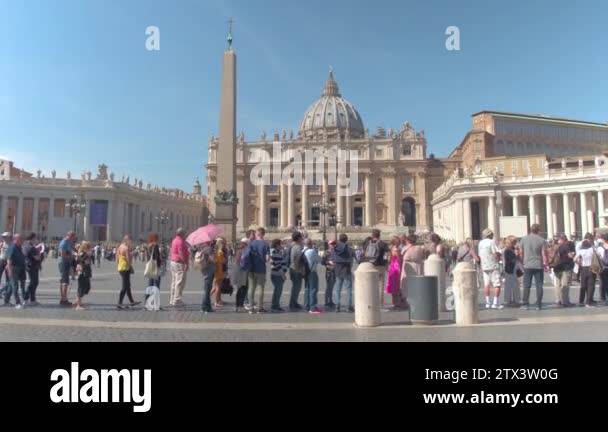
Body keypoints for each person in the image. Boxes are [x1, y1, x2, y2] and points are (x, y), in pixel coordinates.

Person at [520, 224, 549, 311]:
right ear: (538, 230)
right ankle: (538, 304)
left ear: (530, 230)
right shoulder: (542, 240)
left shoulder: (524, 239)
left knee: (526, 285)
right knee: (539, 285)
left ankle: (525, 304)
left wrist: (522, 262)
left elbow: (521, 252)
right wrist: (546, 264)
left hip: (527, 265)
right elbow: (544, 254)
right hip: (538, 265)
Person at [477, 228, 504, 310]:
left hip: (484, 266)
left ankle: (487, 302)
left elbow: (479, 255)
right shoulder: (491, 242)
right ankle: (495, 303)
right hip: (493, 266)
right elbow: (495, 253)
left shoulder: (480, 243)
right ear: (490, 235)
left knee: (486, 285)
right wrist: (499, 255)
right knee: (497, 284)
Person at [246, 228, 270, 314]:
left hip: (251, 268)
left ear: (257, 234)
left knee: (251, 288)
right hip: (261, 269)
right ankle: (260, 308)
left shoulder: (251, 243)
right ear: (263, 234)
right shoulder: (266, 244)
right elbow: (267, 259)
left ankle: (251, 307)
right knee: (260, 288)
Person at [363, 230, 389, 306]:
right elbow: (387, 253)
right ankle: (380, 303)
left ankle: (370, 301)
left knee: (370, 284)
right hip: (380, 265)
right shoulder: (382, 243)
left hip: (369, 265)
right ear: (379, 235)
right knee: (380, 284)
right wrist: (386, 262)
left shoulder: (368, 243)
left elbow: (364, 252)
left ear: (372, 235)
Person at [550, 234, 575, 307]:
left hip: (556, 268)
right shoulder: (566, 246)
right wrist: (573, 254)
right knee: (565, 285)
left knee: (557, 285)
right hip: (565, 267)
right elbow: (570, 255)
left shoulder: (555, 247)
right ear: (565, 240)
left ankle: (558, 300)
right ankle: (565, 301)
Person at [400, 234, 424, 308]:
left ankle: (407, 301)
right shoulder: (419, 248)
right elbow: (422, 256)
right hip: (417, 266)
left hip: (408, 267)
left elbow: (401, 256)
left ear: (407, 240)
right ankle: (416, 299)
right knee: (416, 282)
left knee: (406, 284)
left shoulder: (405, 248)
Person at [332, 234, 354, 313]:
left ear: (339, 239)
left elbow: (333, 259)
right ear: (346, 239)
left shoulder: (334, 249)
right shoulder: (349, 249)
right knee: (348, 289)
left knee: (337, 288)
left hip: (338, 270)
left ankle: (337, 306)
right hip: (346, 270)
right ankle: (348, 306)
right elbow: (354, 257)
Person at [3, 233, 25, 309]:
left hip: (18, 269)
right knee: (15, 286)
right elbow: (9, 260)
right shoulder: (12, 247)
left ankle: (6, 301)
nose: (22, 240)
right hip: (13, 268)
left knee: (10, 286)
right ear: (15, 239)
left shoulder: (18, 247)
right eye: (20, 239)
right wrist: (9, 271)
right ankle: (17, 303)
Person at [169, 228, 190, 308]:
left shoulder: (174, 240)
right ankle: (177, 300)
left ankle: (172, 299)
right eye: (185, 234)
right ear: (182, 234)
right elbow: (181, 254)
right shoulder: (181, 242)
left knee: (174, 282)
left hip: (173, 262)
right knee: (179, 282)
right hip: (179, 263)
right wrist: (186, 263)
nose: (186, 235)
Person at [116, 235, 139, 309]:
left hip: (121, 267)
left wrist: (118, 265)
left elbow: (117, 258)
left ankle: (132, 301)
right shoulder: (126, 248)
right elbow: (128, 259)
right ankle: (119, 303)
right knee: (125, 287)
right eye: (130, 241)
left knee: (127, 286)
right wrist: (131, 267)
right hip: (125, 268)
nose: (131, 242)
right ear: (127, 240)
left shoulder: (120, 247)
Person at [575, 239, 597, 308]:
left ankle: (581, 301)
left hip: (583, 269)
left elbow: (574, 259)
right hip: (591, 268)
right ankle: (588, 302)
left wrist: (579, 263)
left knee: (583, 285)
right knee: (590, 286)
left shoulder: (581, 251)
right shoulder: (592, 250)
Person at [23, 232, 42, 306]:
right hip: (32, 266)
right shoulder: (30, 247)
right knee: (33, 283)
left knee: (35, 282)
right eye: (35, 238)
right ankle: (26, 298)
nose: (36, 240)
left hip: (29, 266)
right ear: (32, 238)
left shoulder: (26, 245)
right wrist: (40, 253)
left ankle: (32, 299)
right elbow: (37, 258)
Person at [288, 232, 306, 311]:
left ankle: (294, 302)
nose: (302, 238)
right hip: (296, 270)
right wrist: (300, 270)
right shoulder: (297, 247)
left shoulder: (294, 246)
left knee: (295, 287)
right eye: (301, 237)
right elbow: (297, 260)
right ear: (298, 238)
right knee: (296, 288)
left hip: (293, 269)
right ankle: (293, 303)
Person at [58, 231, 76, 306]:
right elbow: (62, 253)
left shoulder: (69, 242)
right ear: (70, 236)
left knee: (64, 281)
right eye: (73, 237)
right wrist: (71, 255)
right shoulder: (64, 242)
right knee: (64, 281)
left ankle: (63, 298)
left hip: (66, 262)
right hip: (63, 263)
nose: (74, 239)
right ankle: (64, 299)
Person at [303, 239, 321, 314]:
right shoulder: (312, 251)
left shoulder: (303, 251)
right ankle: (312, 308)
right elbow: (319, 259)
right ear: (311, 244)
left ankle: (306, 305)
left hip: (305, 272)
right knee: (313, 289)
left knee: (307, 289)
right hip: (312, 272)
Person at [270, 239, 287, 313]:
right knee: (278, 291)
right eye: (281, 244)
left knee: (278, 290)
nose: (282, 246)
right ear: (277, 245)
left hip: (277, 274)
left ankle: (276, 305)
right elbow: (277, 265)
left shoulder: (277, 252)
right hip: (277, 274)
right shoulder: (275, 252)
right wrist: (283, 275)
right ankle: (275, 306)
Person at [232, 238, 249, 312]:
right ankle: (239, 304)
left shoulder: (239, 250)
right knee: (242, 288)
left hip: (238, 270)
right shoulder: (243, 250)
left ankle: (239, 304)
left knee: (241, 288)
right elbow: (243, 261)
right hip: (241, 271)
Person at [502, 236, 520, 307]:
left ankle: (514, 299)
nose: (516, 244)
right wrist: (515, 256)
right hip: (510, 269)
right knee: (510, 285)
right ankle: (510, 300)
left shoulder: (511, 249)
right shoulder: (507, 250)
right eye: (515, 242)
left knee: (513, 285)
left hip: (512, 268)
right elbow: (510, 260)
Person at [74, 241, 93, 310]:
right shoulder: (82, 253)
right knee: (81, 287)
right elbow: (79, 260)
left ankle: (78, 301)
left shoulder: (85, 253)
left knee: (87, 287)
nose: (90, 248)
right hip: (82, 272)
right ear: (85, 247)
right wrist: (86, 258)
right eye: (88, 247)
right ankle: (78, 305)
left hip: (86, 272)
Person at [386, 245, 405, 309]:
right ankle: (394, 303)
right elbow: (388, 265)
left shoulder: (399, 258)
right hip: (392, 275)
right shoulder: (391, 258)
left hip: (397, 276)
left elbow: (399, 267)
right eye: (395, 251)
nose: (396, 252)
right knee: (393, 291)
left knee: (397, 290)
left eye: (397, 251)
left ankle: (397, 303)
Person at [211, 238, 227, 308]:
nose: (224, 244)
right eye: (222, 243)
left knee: (217, 286)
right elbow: (223, 261)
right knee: (217, 287)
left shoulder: (216, 251)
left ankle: (217, 300)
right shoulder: (220, 252)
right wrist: (225, 259)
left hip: (218, 270)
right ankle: (216, 301)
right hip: (219, 270)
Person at [323, 240, 337, 310]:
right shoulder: (326, 252)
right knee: (328, 286)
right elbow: (322, 262)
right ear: (329, 245)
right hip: (329, 271)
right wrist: (329, 262)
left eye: (334, 244)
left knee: (331, 287)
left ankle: (330, 300)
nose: (333, 245)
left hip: (334, 271)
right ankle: (326, 301)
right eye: (331, 244)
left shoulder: (336, 252)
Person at [0, 232, 12, 297]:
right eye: (3, 237)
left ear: (9, 237)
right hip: (1, 260)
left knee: (8, 278)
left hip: (8, 262)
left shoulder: (11, 245)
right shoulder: (2, 243)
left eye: (5, 237)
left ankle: (6, 292)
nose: (4, 238)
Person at [597, 234, 608, 305]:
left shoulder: (599, 248)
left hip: (602, 267)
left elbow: (597, 257)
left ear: (603, 240)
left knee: (602, 283)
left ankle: (603, 297)